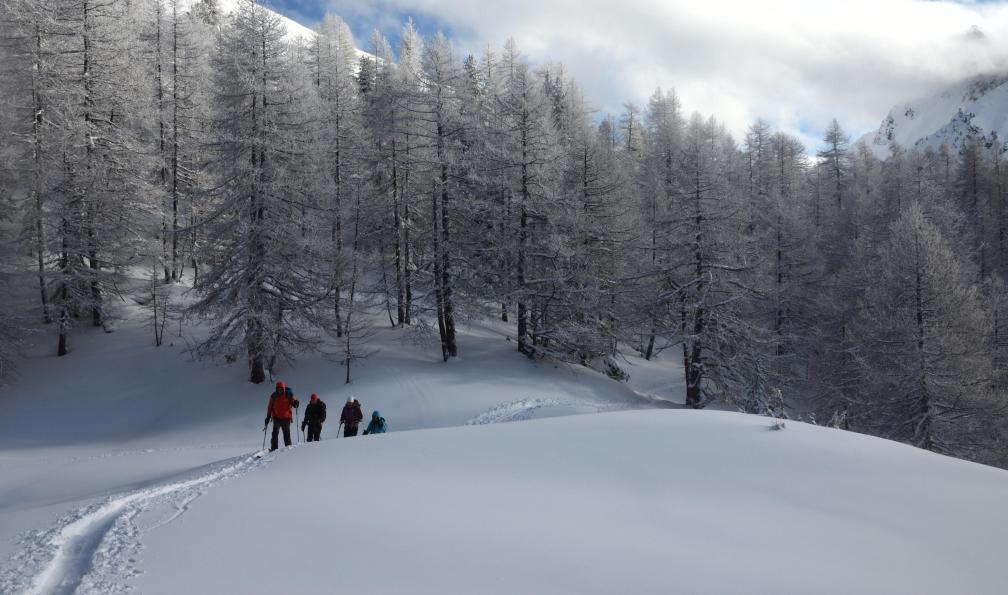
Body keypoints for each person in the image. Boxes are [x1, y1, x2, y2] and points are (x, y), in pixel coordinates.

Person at [264, 381, 299, 451]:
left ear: (283, 388)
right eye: (278, 389)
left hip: (286, 418)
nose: (279, 390)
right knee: (275, 434)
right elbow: (270, 407)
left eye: (280, 389)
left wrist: (295, 403)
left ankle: (288, 449)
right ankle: (274, 449)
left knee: (286, 434)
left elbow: (293, 402)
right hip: (276, 418)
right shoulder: (273, 396)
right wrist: (268, 417)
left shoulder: (288, 394)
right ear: (276, 389)